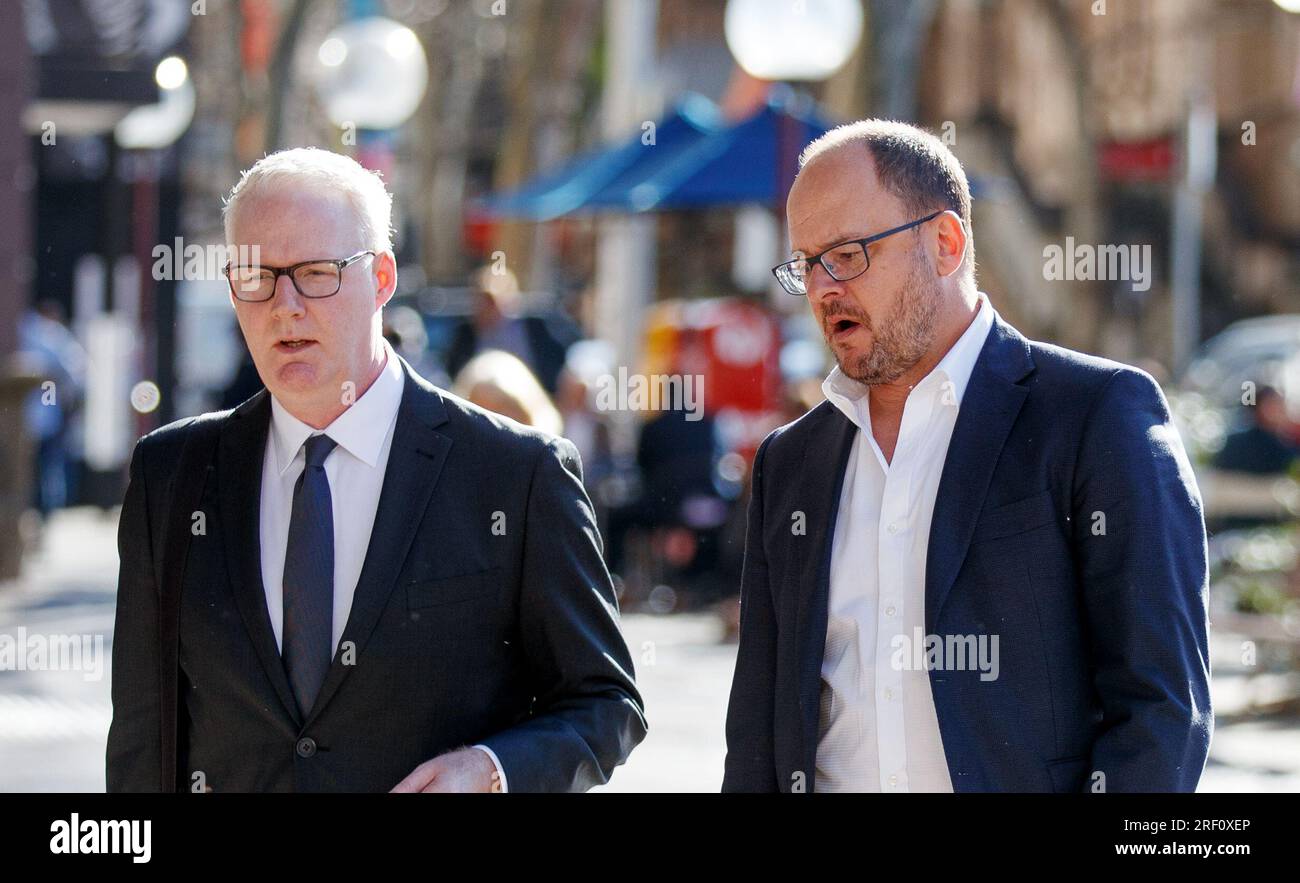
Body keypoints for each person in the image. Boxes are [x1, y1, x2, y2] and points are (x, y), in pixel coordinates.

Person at [107, 147, 646, 792]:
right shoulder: (172, 475)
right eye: (256, 275)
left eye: (315, 272)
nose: (285, 305)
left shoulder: (516, 474)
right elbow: (142, 736)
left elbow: (606, 703)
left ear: (383, 277)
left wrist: (495, 771)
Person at [723, 120, 1211, 793]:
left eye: (848, 253)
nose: (822, 286)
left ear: (946, 242)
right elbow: (758, 734)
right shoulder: (790, 462)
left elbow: (1161, 710)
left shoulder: (1095, 416)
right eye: (806, 262)